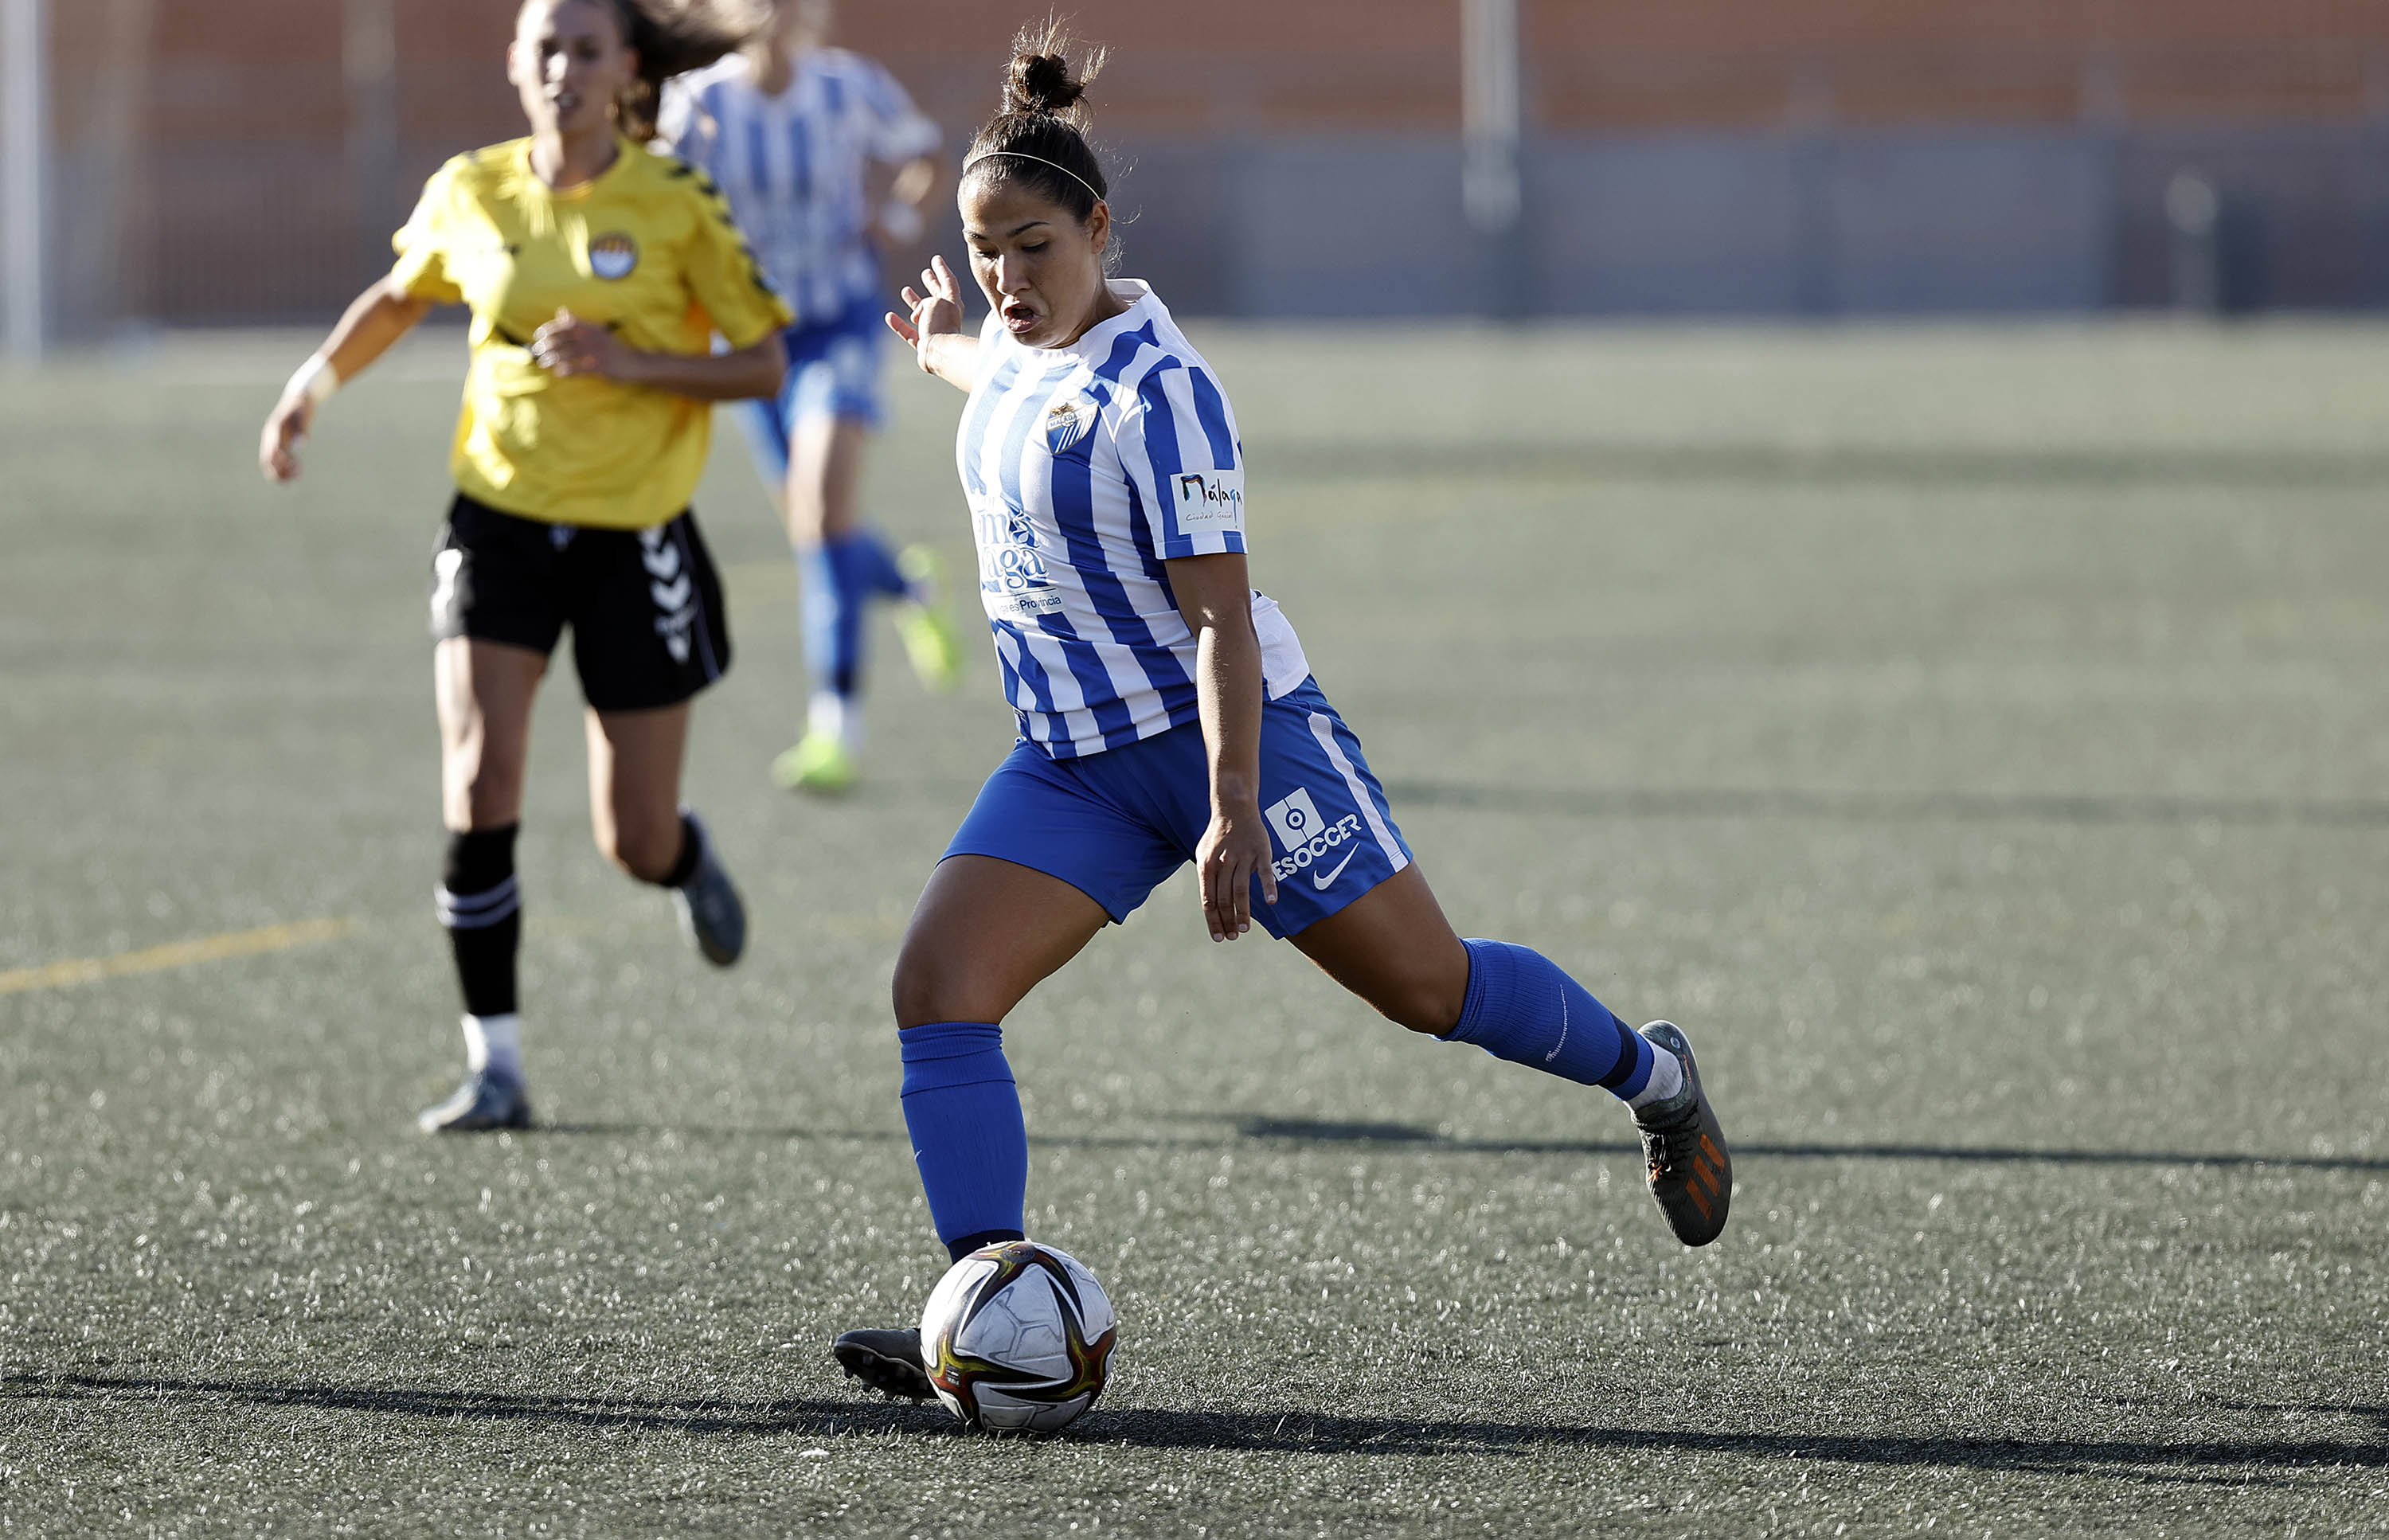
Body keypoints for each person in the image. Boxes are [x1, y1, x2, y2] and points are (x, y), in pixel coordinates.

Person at [828, 26, 1735, 1401]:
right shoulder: (1013, 346)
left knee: (1434, 988)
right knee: (938, 988)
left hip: (1232, 743)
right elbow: (1002, 377)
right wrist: (946, 346)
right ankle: (989, 1305)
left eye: (1033, 247)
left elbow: (1217, 621)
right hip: (1073, 764)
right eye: (986, 249)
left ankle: (1651, 1075)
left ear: (1098, 230)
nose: (1009, 276)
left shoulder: (1168, 398)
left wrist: (1236, 798)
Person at [257, 0, 795, 1133]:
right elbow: (402, 297)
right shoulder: (473, 188)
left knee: (632, 837)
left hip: (633, 532)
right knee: (479, 782)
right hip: (496, 521)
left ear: (626, 71)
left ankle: (686, 857)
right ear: (515, 64)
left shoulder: (676, 202)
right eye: (544, 46)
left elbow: (761, 364)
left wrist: (630, 360)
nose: (563, 67)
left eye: (586, 49)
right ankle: (494, 1066)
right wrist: (308, 390)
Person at [663, 0, 966, 795]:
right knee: (813, 523)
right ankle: (908, 585)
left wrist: (894, 219)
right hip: (753, 345)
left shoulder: (846, 87)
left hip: (839, 326)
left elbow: (927, 153)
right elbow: (657, 193)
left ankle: (837, 728)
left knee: (823, 516)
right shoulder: (701, 102)